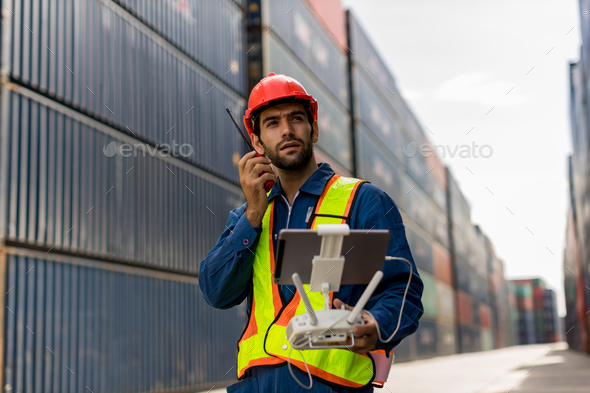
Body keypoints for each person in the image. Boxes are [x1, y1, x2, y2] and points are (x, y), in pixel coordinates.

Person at [199, 73, 424, 392]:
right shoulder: (248, 217)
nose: (287, 130)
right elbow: (216, 291)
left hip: (333, 387)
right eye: (273, 123)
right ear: (258, 142)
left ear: (314, 128)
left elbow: (404, 290)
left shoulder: (362, 201)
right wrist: (252, 215)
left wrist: (376, 324)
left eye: (296, 118)